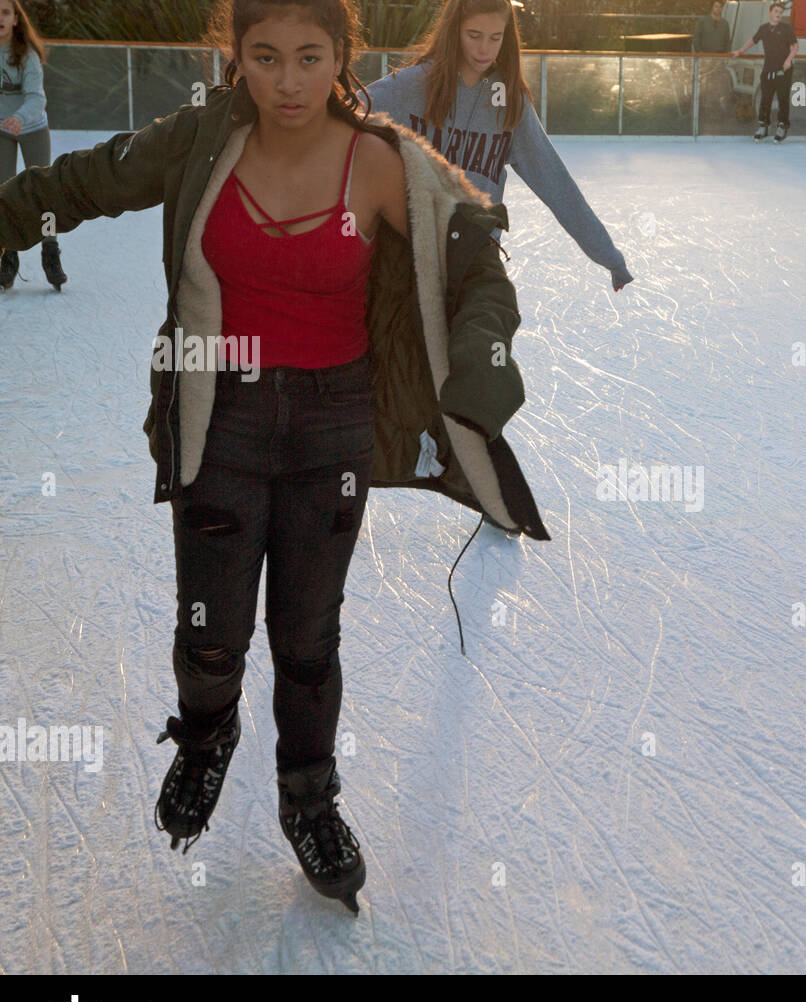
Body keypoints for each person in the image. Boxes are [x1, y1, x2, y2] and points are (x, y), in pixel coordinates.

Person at [0, 0, 549, 915]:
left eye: (308, 56)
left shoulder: (382, 162)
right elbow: (82, 183)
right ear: (236, 55)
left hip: (334, 426)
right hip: (219, 414)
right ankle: (208, 734)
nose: (288, 81)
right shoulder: (198, 141)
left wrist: (489, 347)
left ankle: (309, 793)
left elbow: (477, 252)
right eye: (265, 57)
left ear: (342, 54)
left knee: (307, 639)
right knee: (210, 628)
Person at [366, 0, 632, 291]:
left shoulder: (509, 102)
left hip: (476, 261)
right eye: (474, 35)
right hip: (410, 259)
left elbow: (555, 182)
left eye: (495, 38)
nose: (484, 49)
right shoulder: (411, 86)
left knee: (487, 333)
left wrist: (609, 257)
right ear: (453, 32)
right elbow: (339, 119)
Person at [0, 0, 64, 291]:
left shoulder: (27, 56)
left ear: (15, 19)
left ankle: (50, 250)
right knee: (5, 192)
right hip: (2, 130)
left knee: (43, 191)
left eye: (5, 12)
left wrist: (18, 117)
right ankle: (8, 255)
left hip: (32, 127)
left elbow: (37, 98)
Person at [733, 2, 798, 142]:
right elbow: (753, 40)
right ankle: (763, 126)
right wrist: (740, 51)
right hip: (768, 69)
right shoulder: (763, 29)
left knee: (783, 99)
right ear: (770, 13)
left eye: (780, 12)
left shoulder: (786, 28)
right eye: (776, 11)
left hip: (783, 71)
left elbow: (795, 46)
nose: (778, 14)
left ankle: (782, 127)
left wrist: (788, 60)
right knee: (765, 99)